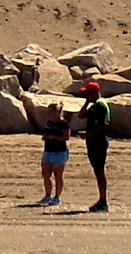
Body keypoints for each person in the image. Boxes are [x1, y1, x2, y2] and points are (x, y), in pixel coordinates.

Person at [76, 79, 111, 213]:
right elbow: (81, 115)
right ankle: (101, 200)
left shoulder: (100, 105)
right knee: (97, 171)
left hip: (99, 142)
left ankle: (103, 201)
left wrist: (88, 134)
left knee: (100, 172)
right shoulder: (94, 105)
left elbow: (103, 125)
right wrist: (86, 102)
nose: (86, 96)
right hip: (93, 142)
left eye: (87, 94)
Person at [34, 104, 70, 206]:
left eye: (52, 112)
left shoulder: (64, 124)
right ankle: (47, 195)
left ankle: (57, 197)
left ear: (58, 113)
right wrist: (46, 137)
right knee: (46, 174)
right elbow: (45, 133)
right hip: (48, 150)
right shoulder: (49, 123)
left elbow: (66, 137)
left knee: (58, 175)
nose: (49, 114)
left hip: (59, 151)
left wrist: (54, 137)